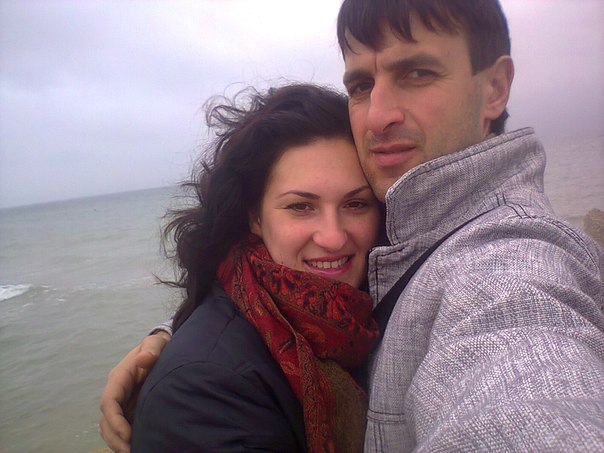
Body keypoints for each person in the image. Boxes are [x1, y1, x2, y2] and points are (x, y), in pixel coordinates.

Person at [101, 1, 604, 452]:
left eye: (417, 72)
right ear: (255, 216)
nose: (377, 116)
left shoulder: (508, 264)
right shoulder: (398, 229)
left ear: (494, 88)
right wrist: (171, 338)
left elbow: (519, 372)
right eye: (361, 85)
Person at [129, 83, 381, 452]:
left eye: (356, 204)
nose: (333, 237)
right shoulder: (203, 390)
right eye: (300, 206)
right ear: (255, 217)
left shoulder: (365, 311)